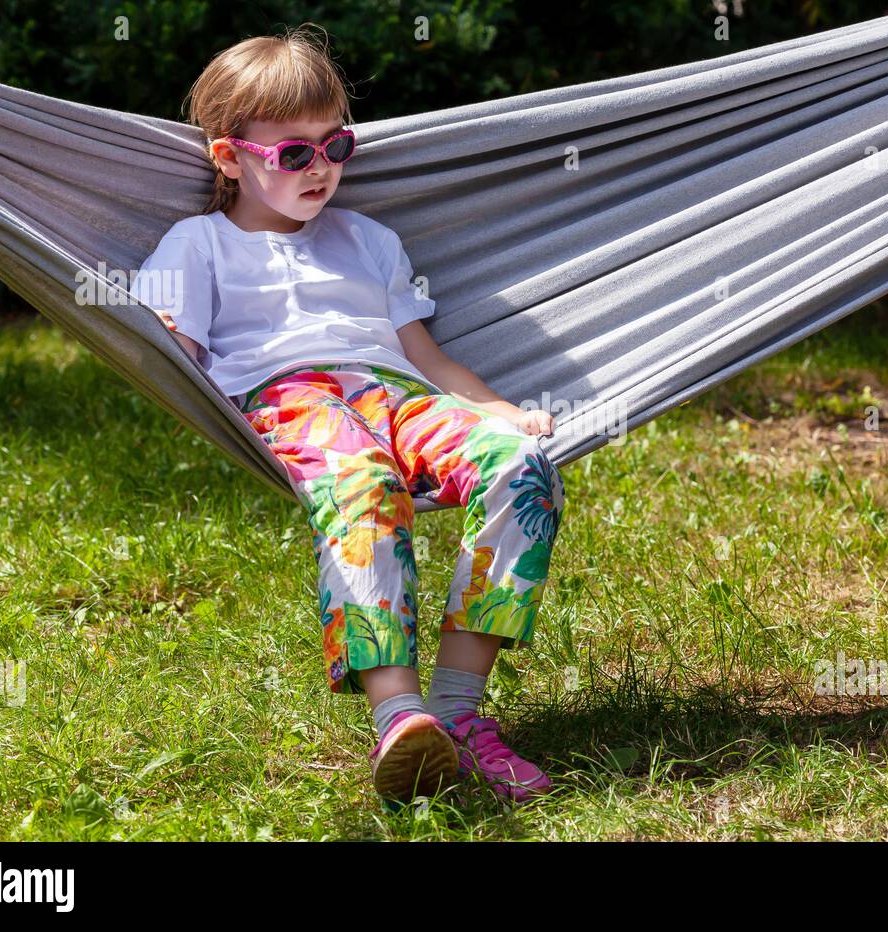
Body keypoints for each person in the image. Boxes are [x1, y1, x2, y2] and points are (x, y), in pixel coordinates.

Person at [130, 25, 565, 805]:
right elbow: (173, 352)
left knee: (524, 469)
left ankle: (460, 714)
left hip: (397, 395)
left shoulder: (369, 240)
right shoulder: (196, 245)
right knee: (363, 487)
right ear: (230, 158)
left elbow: (425, 358)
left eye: (336, 147)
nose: (321, 168)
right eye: (293, 154)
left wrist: (498, 410)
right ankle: (399, 713)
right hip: (289, 398)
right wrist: (160, 343)